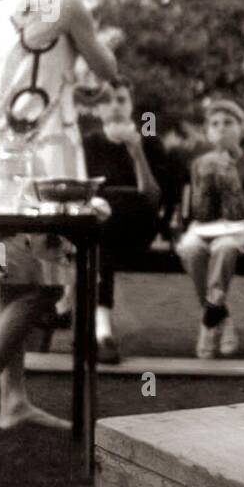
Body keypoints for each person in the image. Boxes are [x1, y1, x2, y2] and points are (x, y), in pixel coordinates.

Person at [0, 0, 120, 449]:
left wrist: (73, 85)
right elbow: (109, 70)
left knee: (14, 279)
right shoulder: (70, 6)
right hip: (43, 160)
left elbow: (30, 78)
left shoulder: (8, 4)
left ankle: (15, 400)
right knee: (39, 284)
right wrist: (96, 54)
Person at [80, 78, 165, 363]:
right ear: (97, 109)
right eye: (107, 101)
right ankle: (102, 331)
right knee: (99, 231)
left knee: (100, 231)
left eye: (121, 100)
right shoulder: (88, 144)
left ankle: (92, 323)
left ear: (131, 106)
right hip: (100, 228)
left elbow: (153, 198)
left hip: (138, 228)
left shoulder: (149, 143)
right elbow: (81, 191)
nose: (115, 107)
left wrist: (136, 151)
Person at [175, 96, 244, 359]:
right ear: (208, 131)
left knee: (225, 249)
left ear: (242, 128)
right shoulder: (199, 163)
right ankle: (220, 316)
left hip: (238, 229)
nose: (221, 128)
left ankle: (207, 323)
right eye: (215, 124)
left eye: (228, 123)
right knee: (191, 250)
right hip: (206, 229)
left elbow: (242, 213)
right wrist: (206, 178)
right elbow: (201, 214)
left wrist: (228, 176)